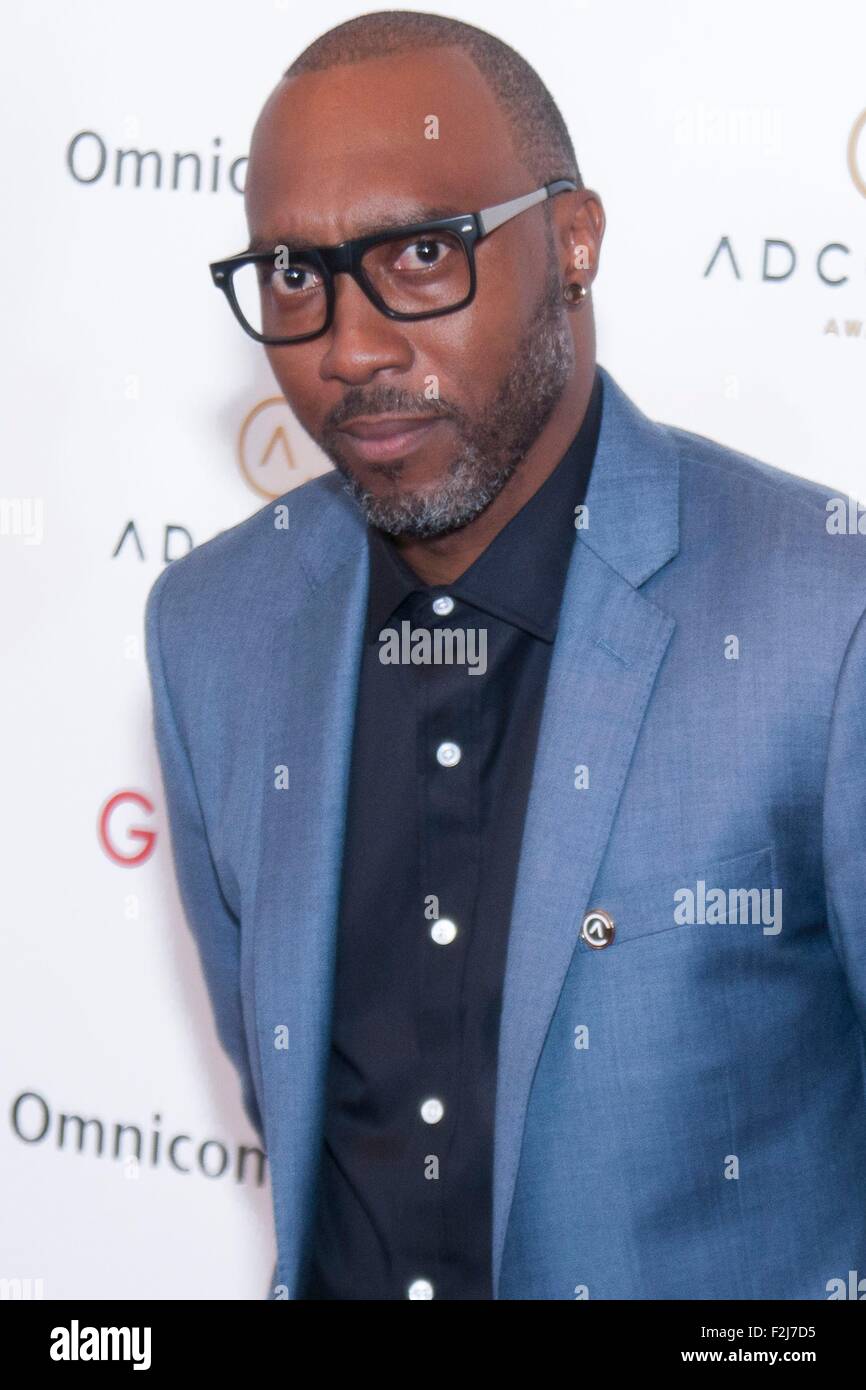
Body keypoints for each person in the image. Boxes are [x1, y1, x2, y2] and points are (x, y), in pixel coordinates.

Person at [145, 10, 866, 1300]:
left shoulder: (828, 614)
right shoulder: (212, 625)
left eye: (423, 254)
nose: (351, 350)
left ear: (574, 241)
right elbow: (296, 1105)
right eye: (296, 276)